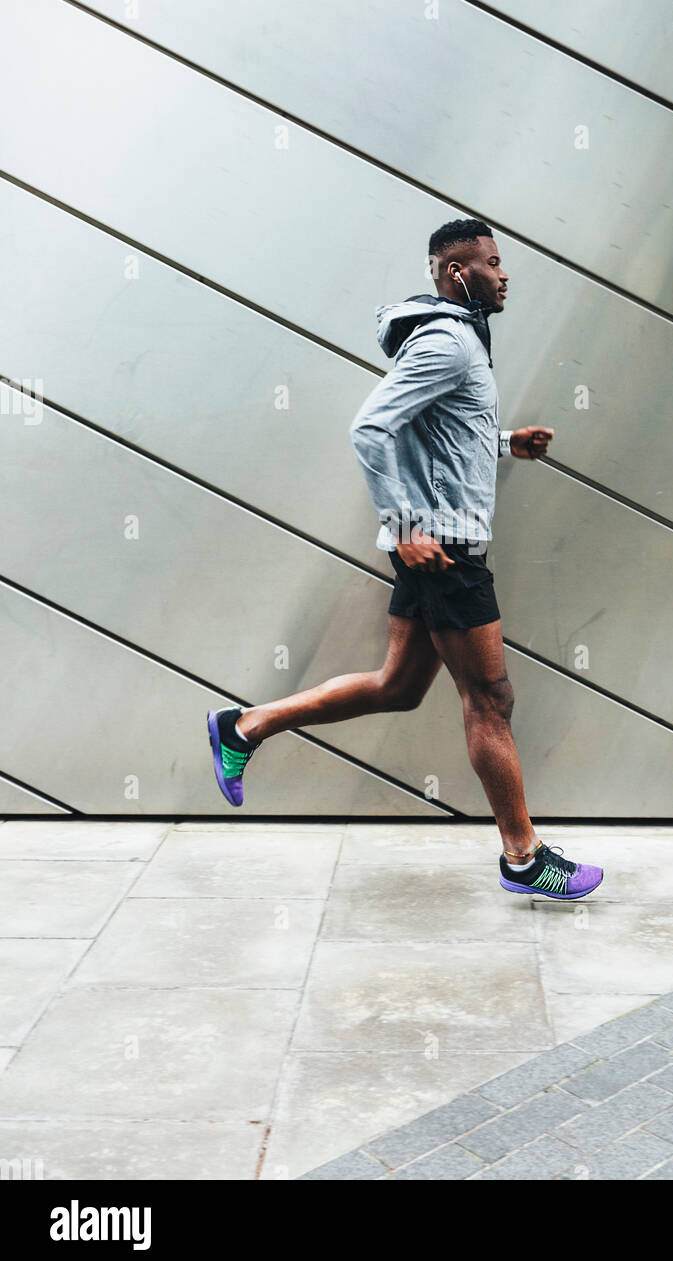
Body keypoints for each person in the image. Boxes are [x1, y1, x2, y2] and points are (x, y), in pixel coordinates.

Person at [207, 219, 603, 901]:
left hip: (438, 547)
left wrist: (507, 443)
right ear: (458, 274)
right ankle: (522, 856)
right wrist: (405, 520)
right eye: (493, 263)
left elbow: (443, 430)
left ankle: (243, 726)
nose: (505, 275)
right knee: (490, 699)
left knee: (398, 686)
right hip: (445, 550)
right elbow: (371, 427)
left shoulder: (461, 340)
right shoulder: (450, 341)